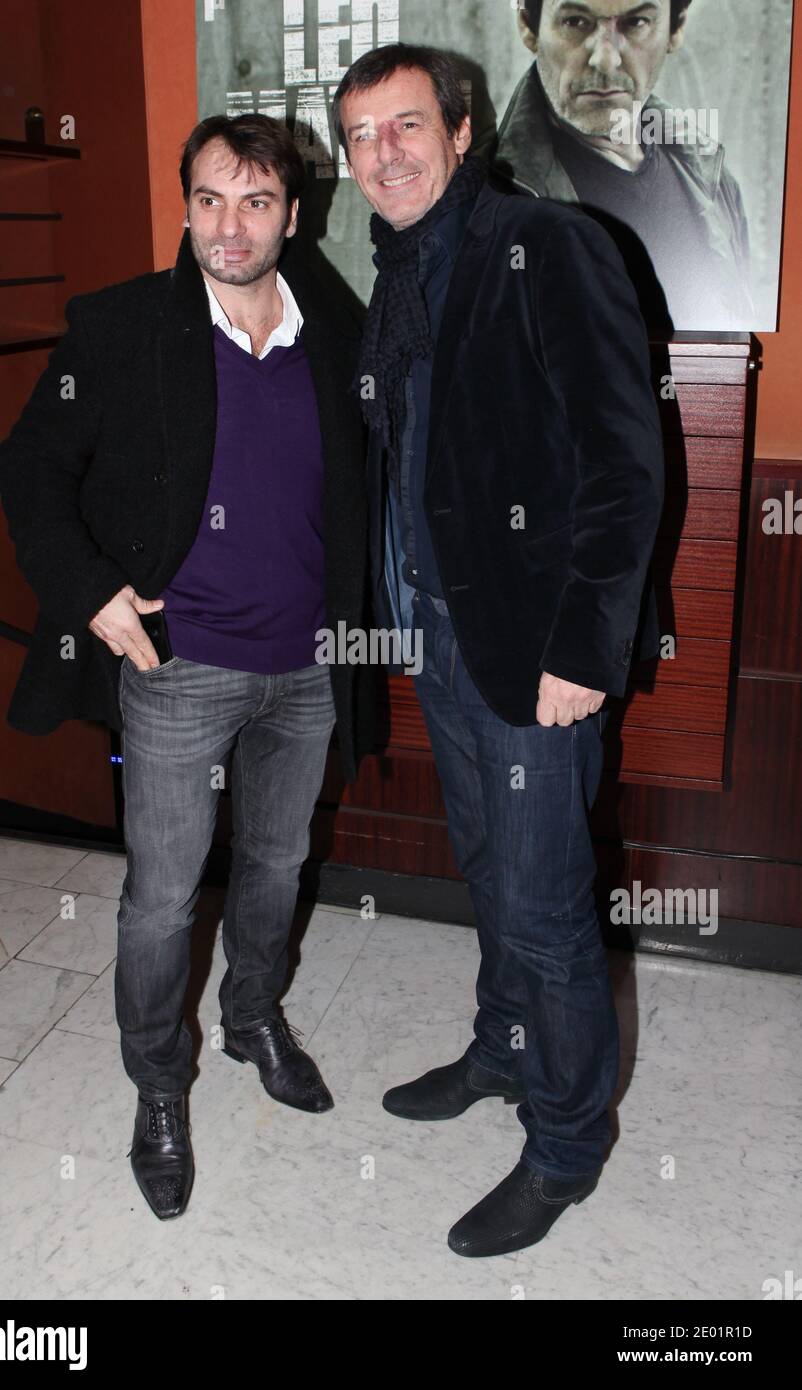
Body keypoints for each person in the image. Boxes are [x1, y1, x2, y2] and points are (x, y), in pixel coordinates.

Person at [0, 114, 375, 1220]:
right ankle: (159, 1085)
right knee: (161, 900)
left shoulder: (337, 332)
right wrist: (89, 590)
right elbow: (28, 466)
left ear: (292, 217)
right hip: (176, 665)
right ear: (183, 206)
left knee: (273, 865)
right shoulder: (121, 328)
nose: (228, 223)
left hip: (305, 666)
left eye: (254, 201)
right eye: (208, 198)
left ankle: (253, 1013)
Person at [333, 42, 664, 1257]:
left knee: (543, 909)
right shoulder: (403, 274)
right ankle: (499, 1049)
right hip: (442, 638)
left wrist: (583, 649)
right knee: (488, 872)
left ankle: (568, 1145)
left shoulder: (545, 247)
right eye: (362, 136)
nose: (385, 154)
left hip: (534, 659)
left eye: (406, 126)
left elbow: (624, 468)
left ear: (462, 130)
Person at [494, 0, 754, 331]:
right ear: (527, 27)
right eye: (575, 21)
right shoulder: (490, 194)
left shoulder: (714, 184)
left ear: (675, 29)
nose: (605, 58)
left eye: (636, 23)